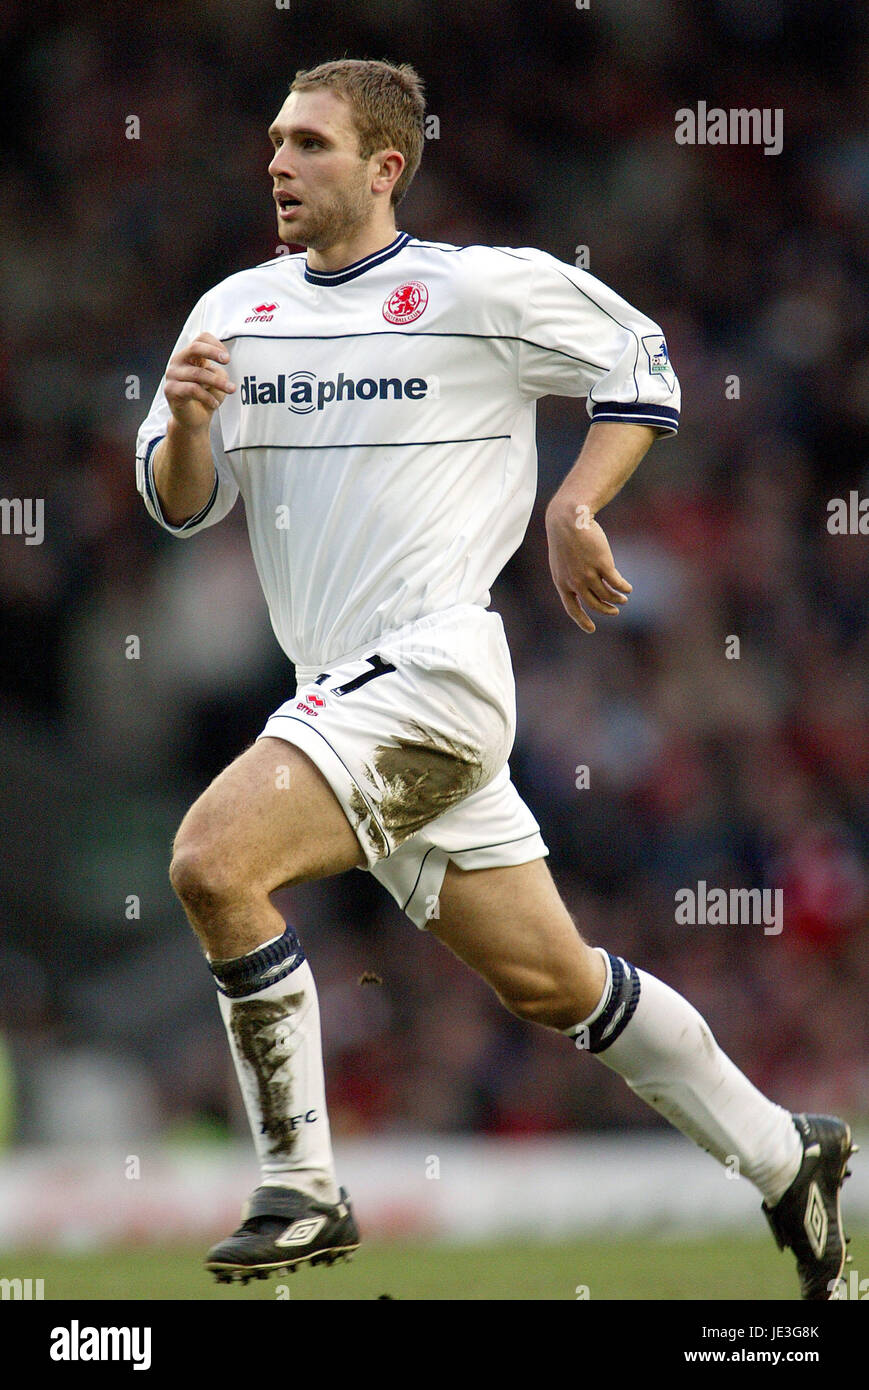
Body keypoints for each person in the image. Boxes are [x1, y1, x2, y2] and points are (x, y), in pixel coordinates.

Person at [135, 58, 854, 1300]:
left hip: (431, 673)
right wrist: (192, 427)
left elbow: (640, 358)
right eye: (272, 140)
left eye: (307, 143)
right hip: (337, 690)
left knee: (212, 861)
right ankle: (785, 1153)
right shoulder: (234, 310)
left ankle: (300, 1183)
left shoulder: (474, 290)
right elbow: (178, 505)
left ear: (382, 166)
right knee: (552, 980)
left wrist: (575, 503)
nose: (277, 163)